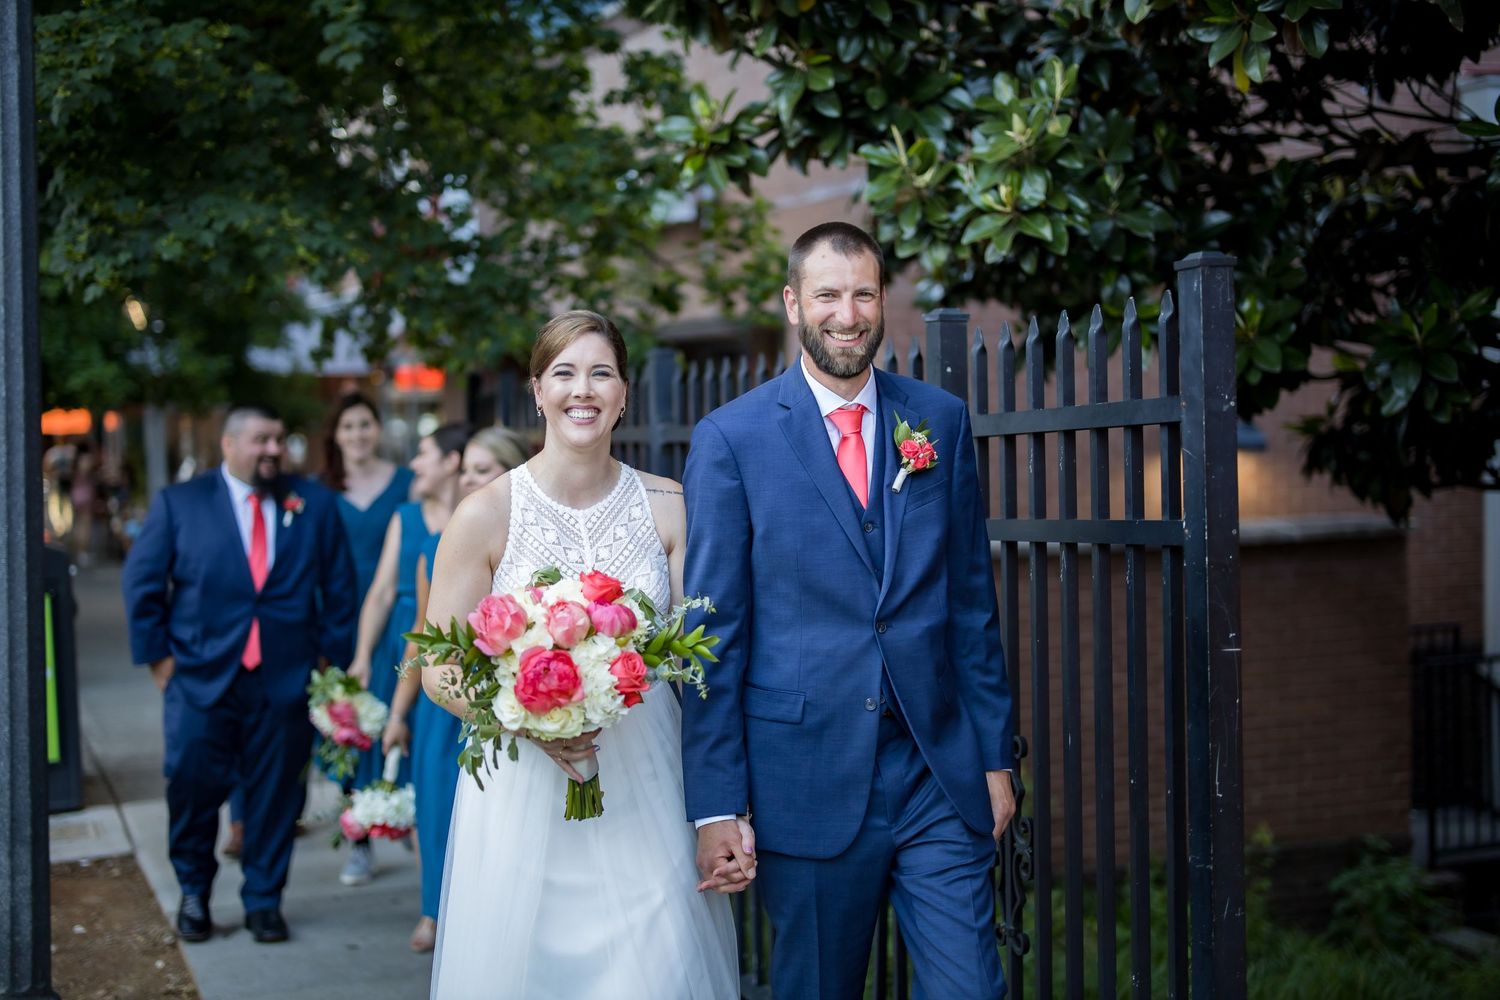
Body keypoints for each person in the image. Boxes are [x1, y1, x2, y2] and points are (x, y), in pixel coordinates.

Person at [681, 221, 1019, 999]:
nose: (848, 314)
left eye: (864, 294)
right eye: (827, 295)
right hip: (804, 781)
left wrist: (994, 757)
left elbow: (971, 604)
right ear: (793, 303)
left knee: (971, 989)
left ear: (883, 301)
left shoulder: (939, 420)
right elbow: (713, 637)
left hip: (934, 772)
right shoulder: (732, 439)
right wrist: (716, 806)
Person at [419, 310, 740, 998]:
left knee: (655, 973)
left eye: (601, 373)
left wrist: (724, 807)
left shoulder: (669, 506)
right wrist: (526, 719)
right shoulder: (484, 513)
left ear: (624, 393)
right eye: (564, 373)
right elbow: (439, 669)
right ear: (538, 391)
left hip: (650, 792)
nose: (583, 390)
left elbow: (707, 662)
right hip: (522, 796)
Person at [122, 403, 357, 945]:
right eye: (261, 440)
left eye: (279, 439)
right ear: (229, 444)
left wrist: (328, 661)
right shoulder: (181, 503)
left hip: (285, 679)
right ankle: (193, 893)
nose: (273, 450)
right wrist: (159, 659)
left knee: (276, 796)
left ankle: (264, 901)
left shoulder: (314, 503)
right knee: (192, 789)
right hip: (199, 678)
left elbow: (340, 588)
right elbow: (142, 581)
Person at [224, 392, 413, 860]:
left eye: (365, 424)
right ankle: (341, 828)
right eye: (348, 426)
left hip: (391, 617)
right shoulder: (315, 491)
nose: (357, 434)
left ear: (378, 429)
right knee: (338, 726)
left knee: (388, 718)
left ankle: (389, 814)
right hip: (334, 619)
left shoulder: (407, 483)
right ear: (335, 435)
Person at [382, 425, 528, 952]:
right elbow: (423, 639)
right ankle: (434, 909)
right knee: (439, 807)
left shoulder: (538, 539)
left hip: (517, 700)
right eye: (465, 469)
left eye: (482, 470)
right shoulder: (437, 546)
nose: (468, 479)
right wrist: (397, 711)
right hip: (447, 704)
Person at [339, 421, 470, 886]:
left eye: (424, 453)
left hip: (454, 645)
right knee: (390, 745)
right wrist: (362, 654)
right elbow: (380, 592)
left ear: (451, 462)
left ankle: (436, 857)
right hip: (406, 643)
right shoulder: (406, 517)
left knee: (436, 760)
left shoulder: (478, 516)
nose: (414, 464)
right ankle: (370, 837)